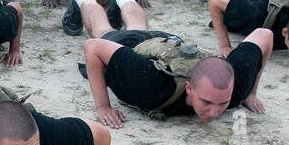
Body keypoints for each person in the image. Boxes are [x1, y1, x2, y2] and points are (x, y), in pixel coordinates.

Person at [81, 27, 274, 127]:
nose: (215, 112)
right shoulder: (151, 86)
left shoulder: (236, 87)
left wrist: (250, 92)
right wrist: (103, 107)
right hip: (141, 49)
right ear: (189, 88)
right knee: (104, 30)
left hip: (172, 45)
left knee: (136, 23)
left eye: (223, 103)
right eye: (206, 102)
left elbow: (264, 34)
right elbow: (93, 47)